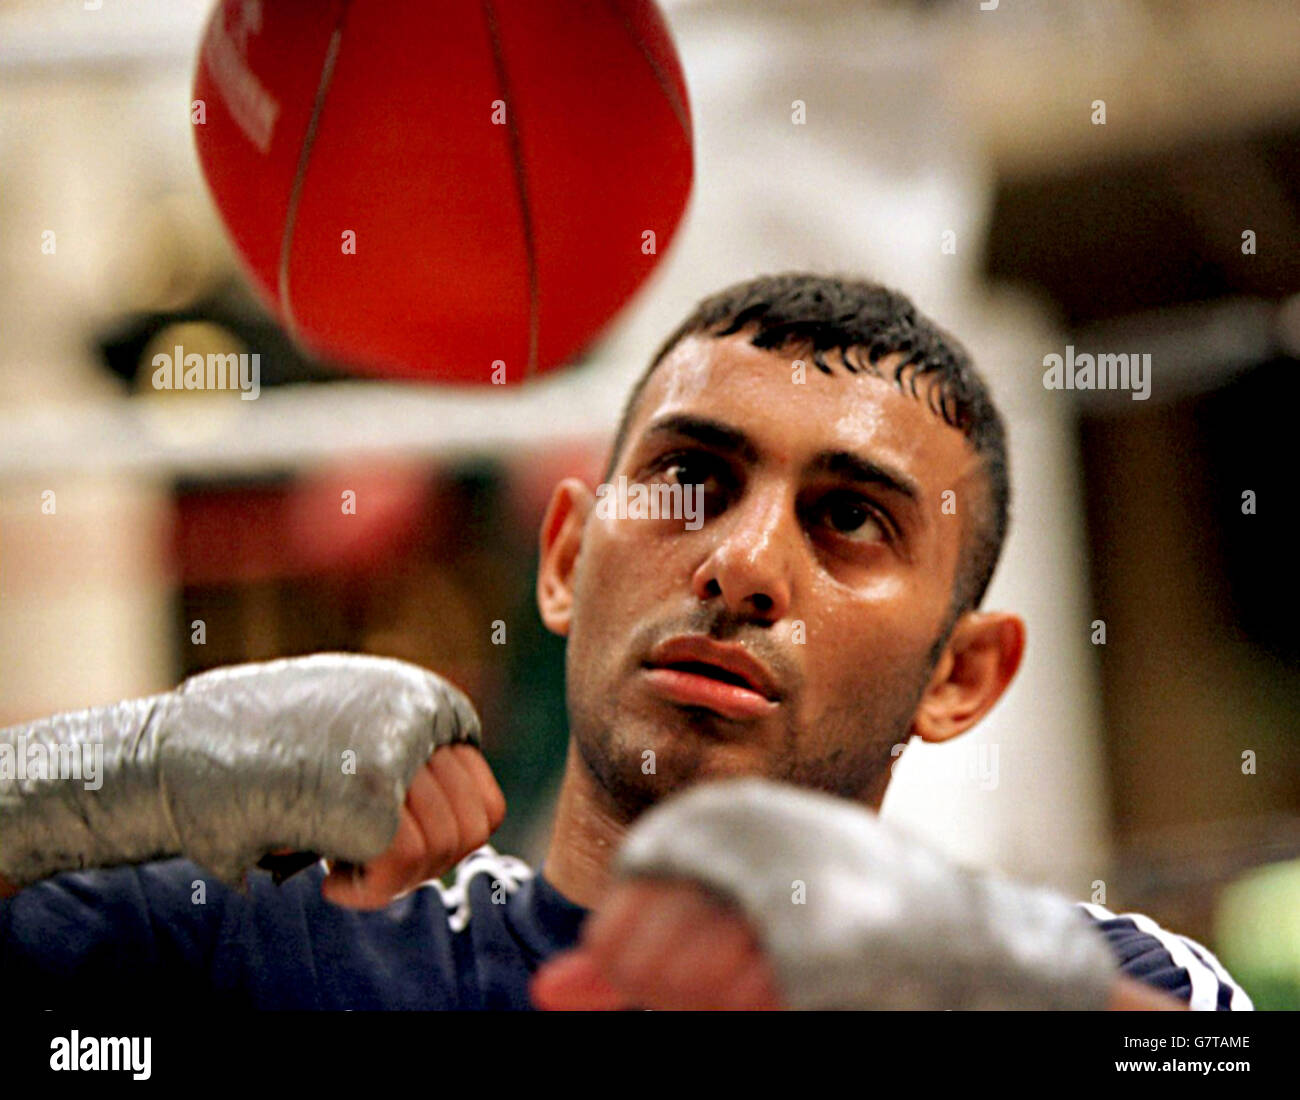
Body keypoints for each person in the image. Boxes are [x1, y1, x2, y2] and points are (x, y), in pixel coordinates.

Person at [0, 273, 1251, 1011]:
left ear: (959, 674)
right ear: (561, 560)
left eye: (849, 516)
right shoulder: (276, 949)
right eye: (691, 480)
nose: (743, 563)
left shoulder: (1119, 982)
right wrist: (111, 775)